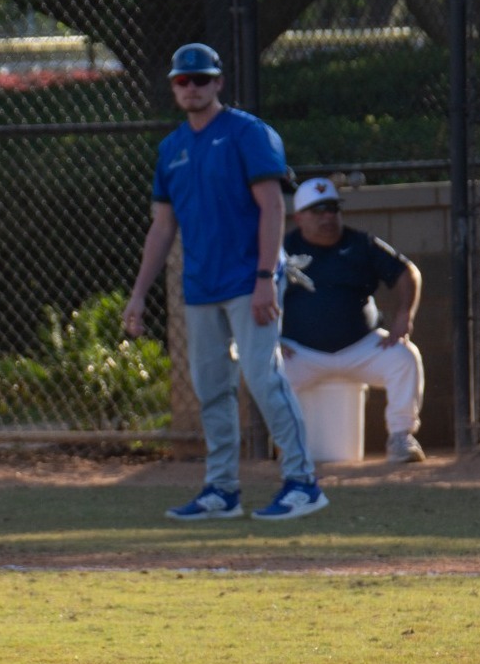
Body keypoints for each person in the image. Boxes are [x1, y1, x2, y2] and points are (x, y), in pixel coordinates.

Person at [123, 43, 325, 520]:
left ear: (218, 83)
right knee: (211, 386)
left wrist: (263, 278)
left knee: (262, 376)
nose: (191, 88)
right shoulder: (171, 149)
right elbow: (162, 226)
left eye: (201, 79)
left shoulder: (247, 133)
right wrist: (137, 294)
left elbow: (273, 206)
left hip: (248, 280)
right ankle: (221, 490)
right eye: (182, 81)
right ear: (174, 87)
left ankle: (303, 482)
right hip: (201, 287)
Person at [280, 176, 426, 464]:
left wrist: (403, 316)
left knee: (405, 358)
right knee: (269, 368)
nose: (328, 216)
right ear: (299, 217)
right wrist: (270, 339)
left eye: (333, 208)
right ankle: (289, 448)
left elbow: (408, 272)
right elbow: (254, 294)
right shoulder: (281, 249)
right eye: (318, 210)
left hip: (361, 347)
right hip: (299, 350)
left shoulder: (361, 243)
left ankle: (401, 438)